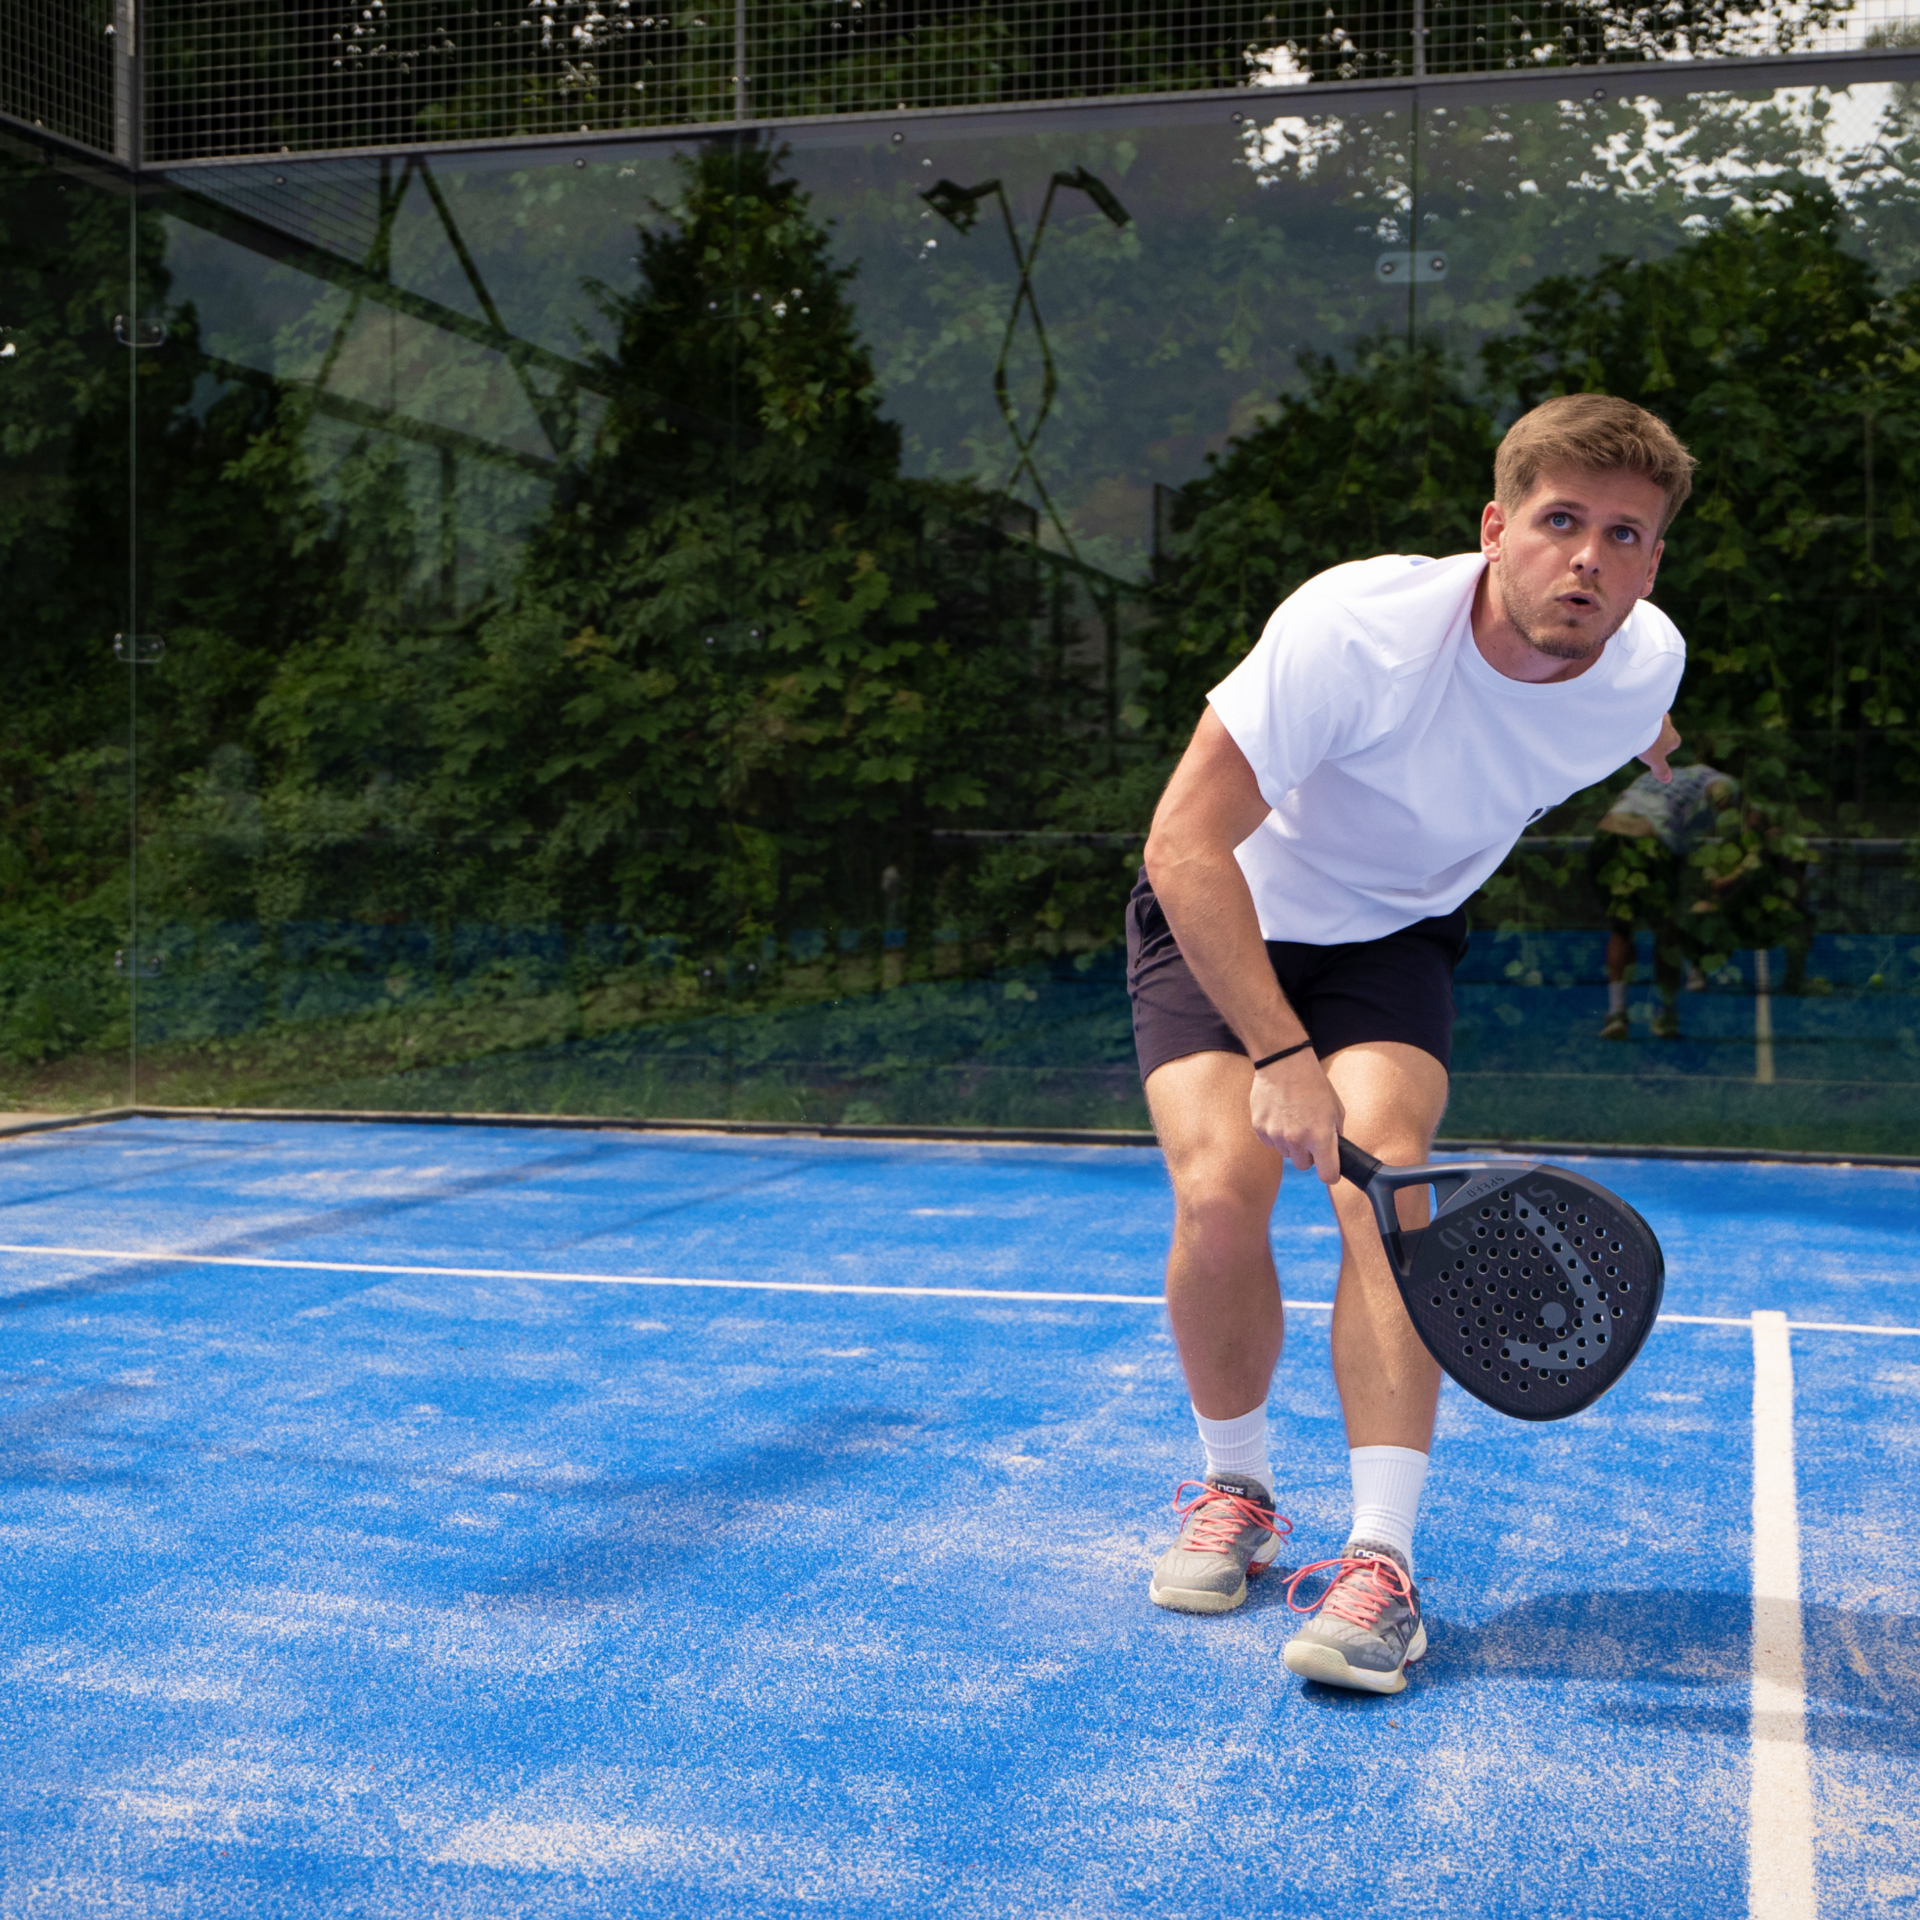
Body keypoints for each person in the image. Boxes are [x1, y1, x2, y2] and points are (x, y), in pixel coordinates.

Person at [1128, 393, 1693, 1693]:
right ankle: (1239, 1493)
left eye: (1624, 534)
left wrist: (1678, 785)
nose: (1588, 558)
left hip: (1393, 944)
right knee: (1223, 1192)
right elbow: (1183, 844)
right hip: (1228, 915)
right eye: (1560, 522)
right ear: (1496, 529)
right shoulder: (1356, 633)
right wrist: (1279, 1057)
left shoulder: (1644, 661)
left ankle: (1379, 1564)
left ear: (1652, 561)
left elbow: (1645, 734)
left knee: (1388, 1190)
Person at [1590, 763, 1737, 1040]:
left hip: (1607, 839)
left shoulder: (1652, 776)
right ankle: (1668, 1015)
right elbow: (1722, 794)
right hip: (1651, 841)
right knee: (1666, 932)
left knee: (1620, 927)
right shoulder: (1717, 779)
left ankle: (1616, 1014)